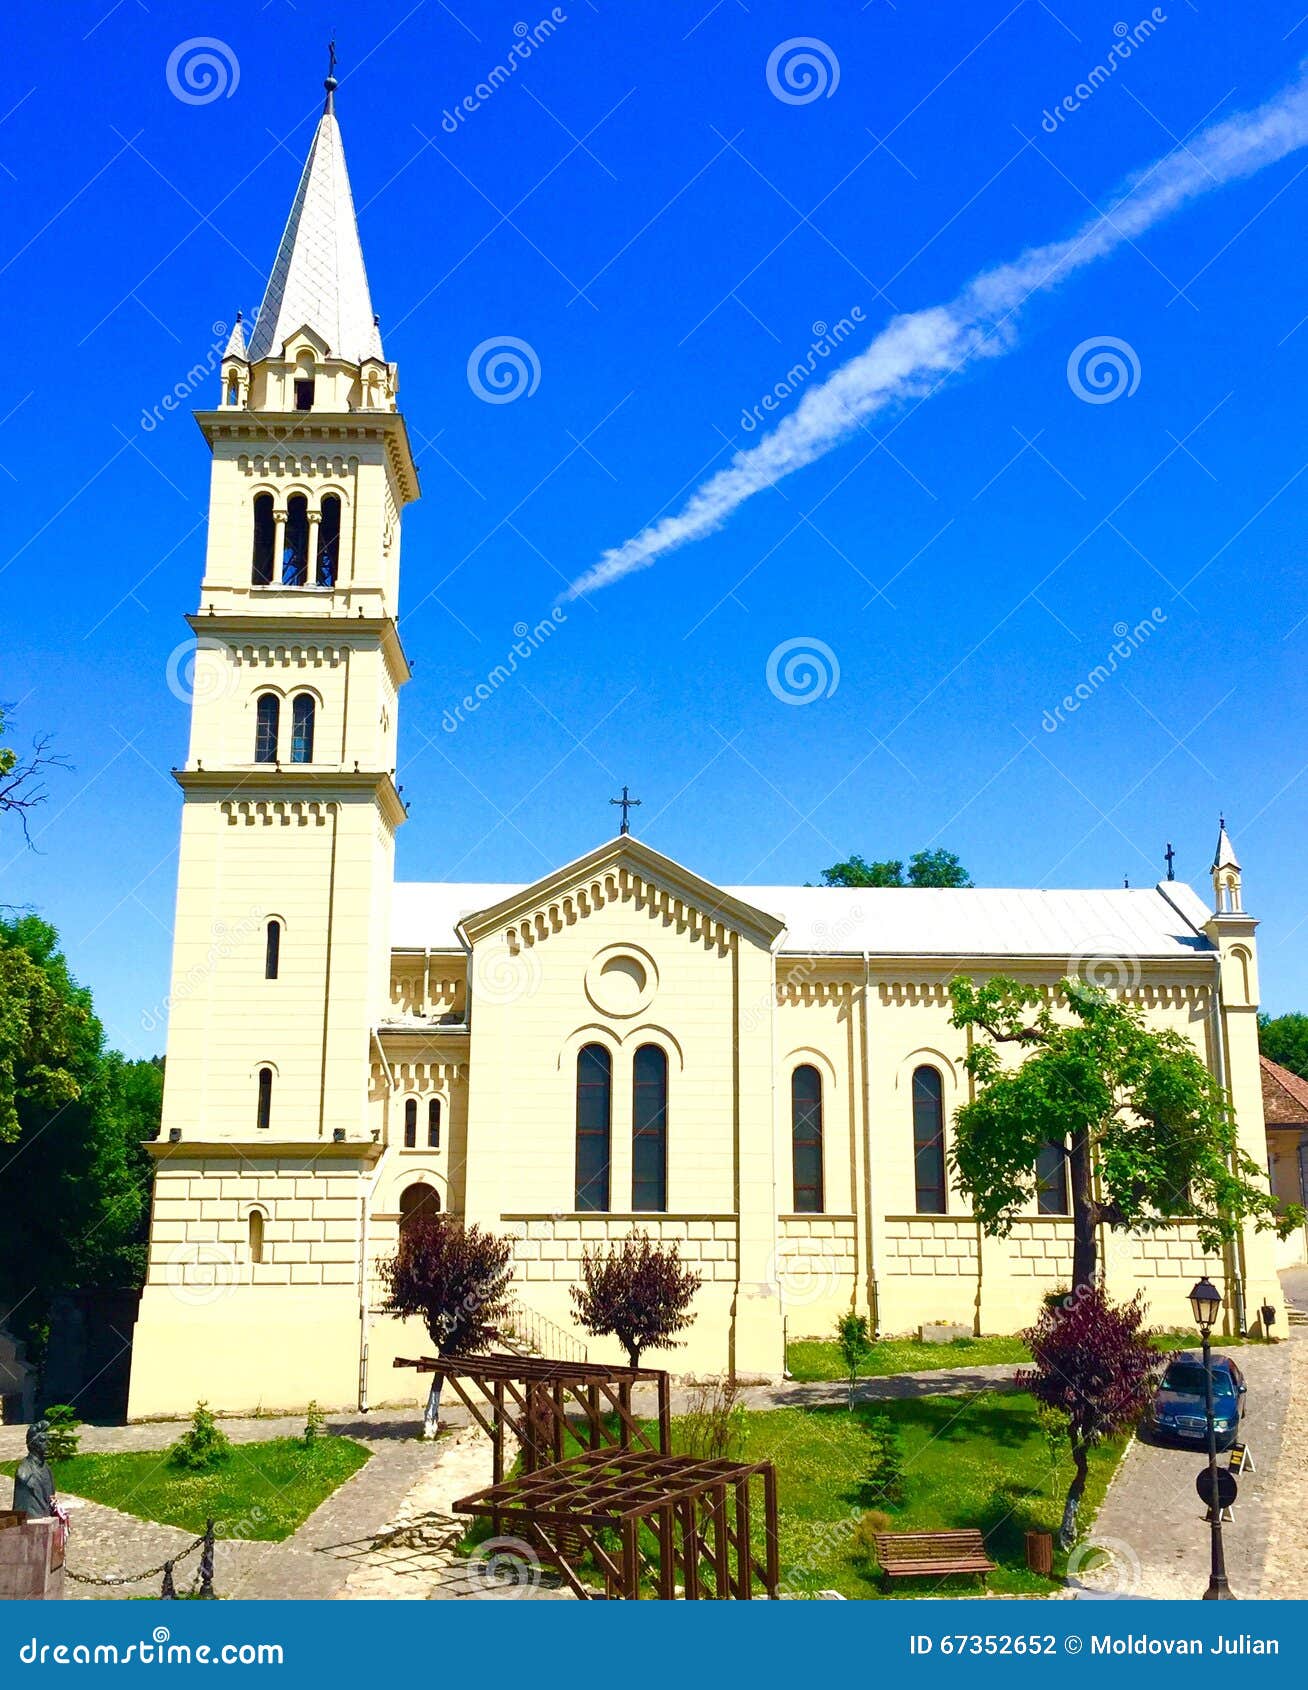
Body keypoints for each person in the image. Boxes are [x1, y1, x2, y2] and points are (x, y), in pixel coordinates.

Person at [11, 1420, 55, 1519]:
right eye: (42, 1440)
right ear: (32, 1444)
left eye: (48, 1440)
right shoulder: (24, 1472)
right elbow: (19, 1509)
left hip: (45, 1516)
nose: (48, 1444)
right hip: (32, 1518)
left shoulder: (47, 1469)